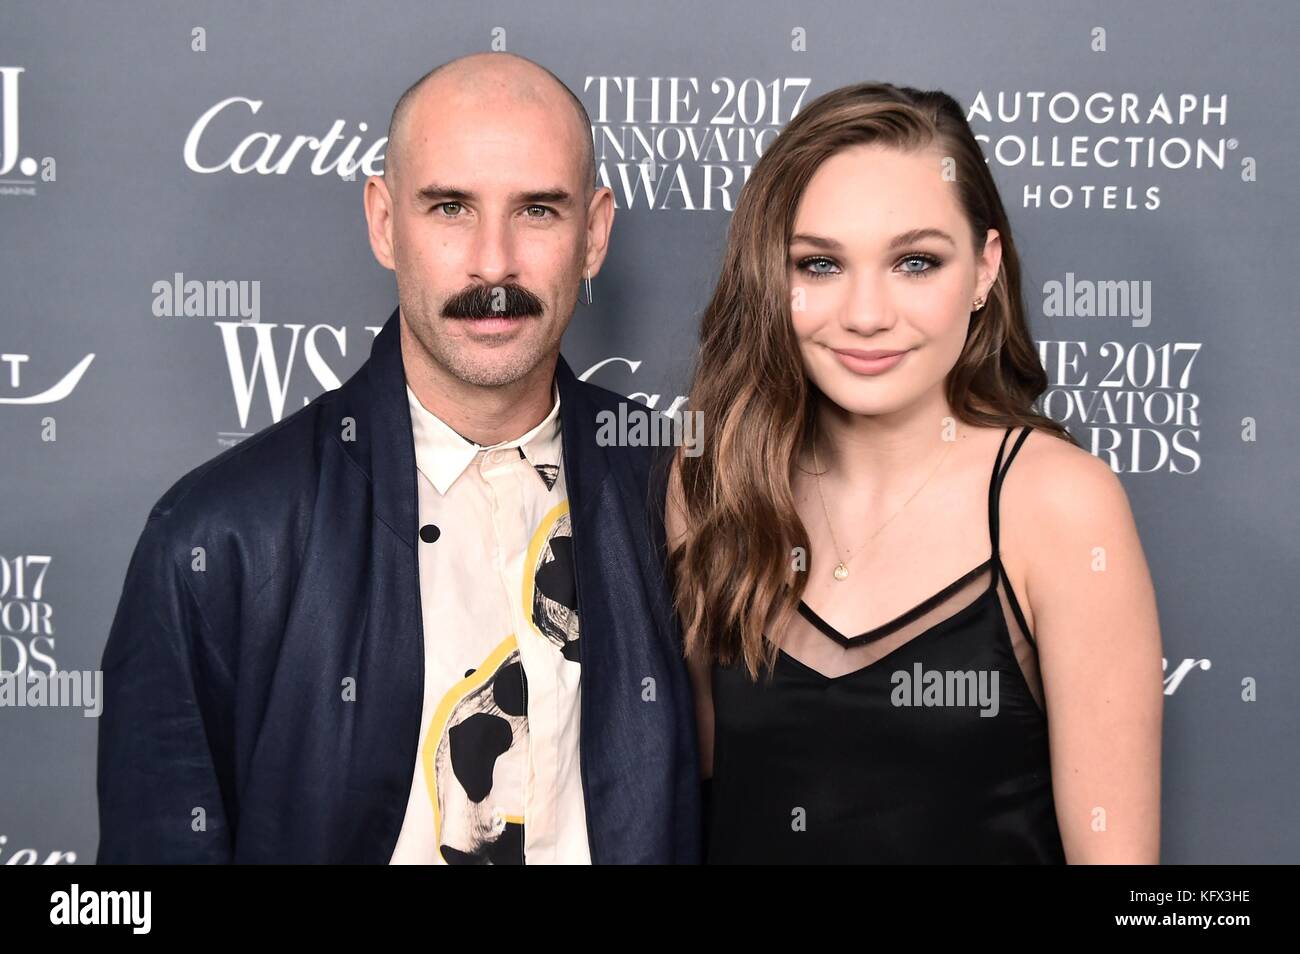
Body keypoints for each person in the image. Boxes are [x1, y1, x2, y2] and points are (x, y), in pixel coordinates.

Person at [96, 51, 701, 864]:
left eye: (538, 211)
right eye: (450, 207)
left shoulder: (684, 495)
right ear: (384, 223)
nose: (493, 262)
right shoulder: (217, 537)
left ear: (594, 235)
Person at [664, 82, 1163, 863]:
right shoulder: (714, 485)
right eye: (821, 264)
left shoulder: (1060, 505)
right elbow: (695, 806)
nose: (867, 314)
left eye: (915, 262)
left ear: (984, 270)